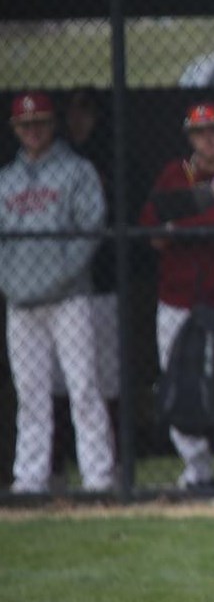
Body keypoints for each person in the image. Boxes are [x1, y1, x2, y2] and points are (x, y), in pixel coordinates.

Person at [1, 92, 115, 494]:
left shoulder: (76, 171)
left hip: (69, 298)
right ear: (15, 130)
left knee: (84, 387)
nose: (33, 131)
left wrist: (58, 275)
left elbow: (91, 227)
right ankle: (30, 477)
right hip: (20, 301)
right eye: (25, 125)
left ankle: (98, 476)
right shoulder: (6, 180)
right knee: (30, 393)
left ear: (53, 125)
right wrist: (10, 281)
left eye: (41, 123)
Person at [138, 101, 214, 489]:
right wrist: (193, 214)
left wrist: (179, 224)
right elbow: (150, 224)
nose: (208, 138)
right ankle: (197, 471)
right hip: (176, 298)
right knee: (178, 382)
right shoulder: (176, 172)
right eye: (200, 132)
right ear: (190, 137)